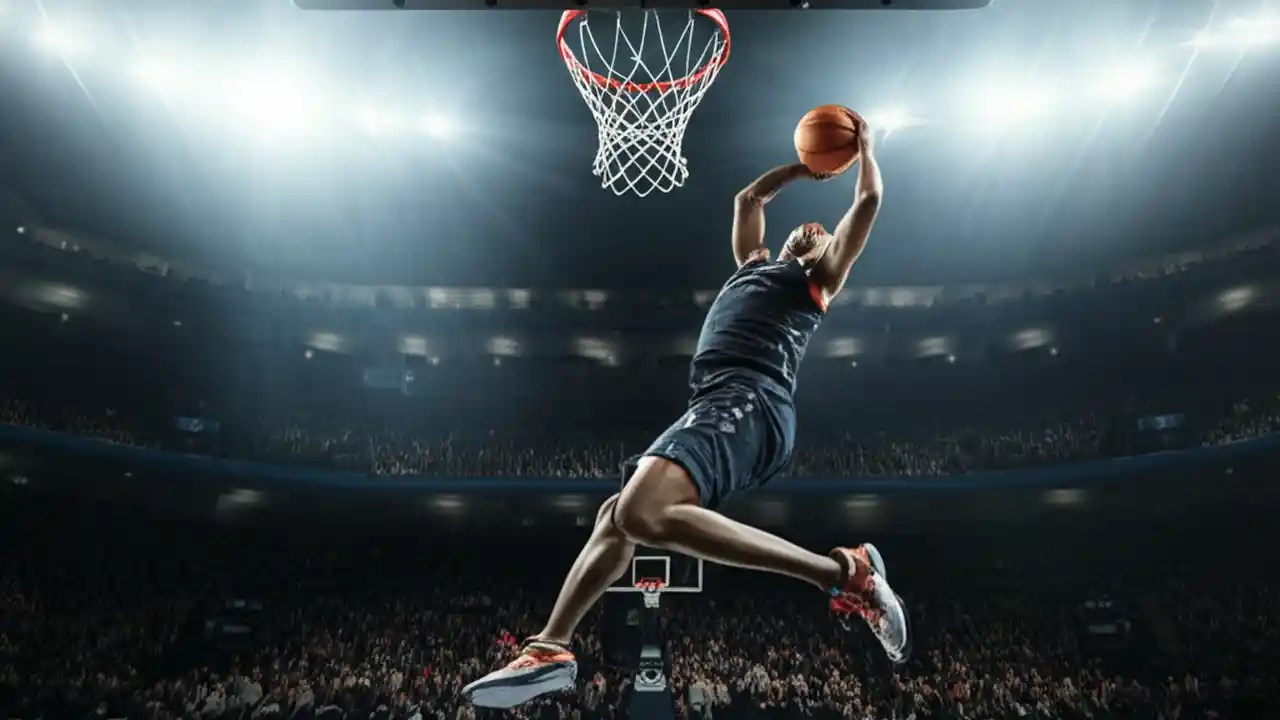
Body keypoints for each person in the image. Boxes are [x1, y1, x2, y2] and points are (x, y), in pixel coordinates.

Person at [463, 111, 909, 709]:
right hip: (713, 403)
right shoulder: (751, 265)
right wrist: (803, 169)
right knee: (617, 516)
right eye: (809, 227)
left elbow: (872, 200)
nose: (814, 229)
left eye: (824, 232)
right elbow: (748, 195)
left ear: (824, 252)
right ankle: (550, 648)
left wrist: (865, 149)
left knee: (644, 510)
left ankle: (844, 574)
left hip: (753, 401)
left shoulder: (816, 285)